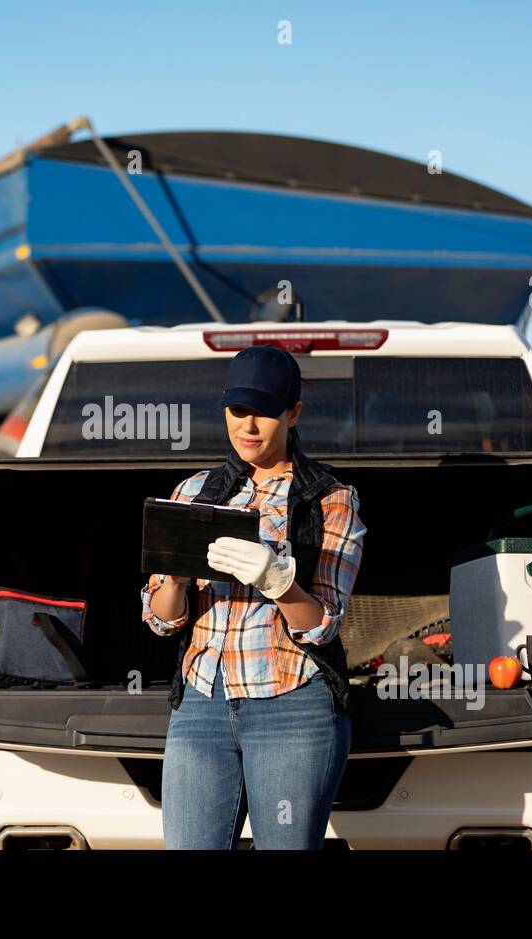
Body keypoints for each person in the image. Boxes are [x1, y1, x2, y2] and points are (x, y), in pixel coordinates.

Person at [141, 343, 367, 850]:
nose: (248, 426)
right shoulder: (194, 491)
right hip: (201, 704)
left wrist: (279, 582)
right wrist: (175, 579)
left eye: (264, 412)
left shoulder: (330, 500)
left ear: (293, 413)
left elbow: (323, 623)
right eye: (238, 411)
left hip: (292, 706)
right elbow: (161, 620)